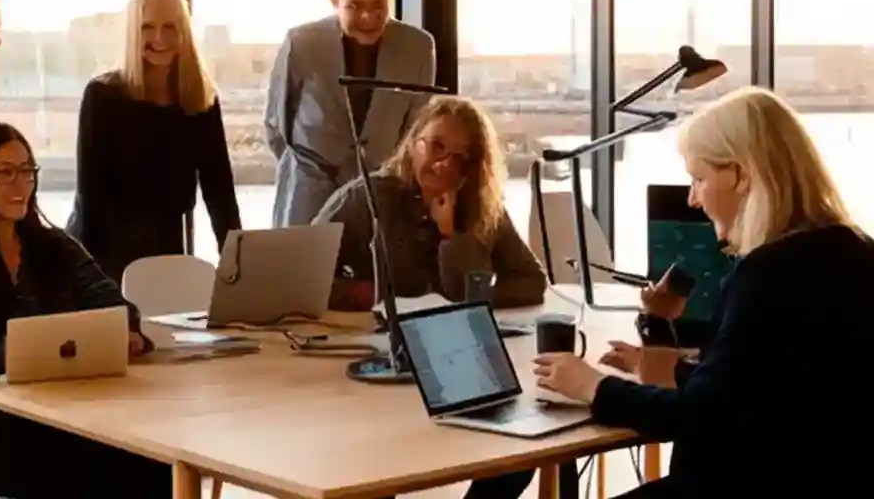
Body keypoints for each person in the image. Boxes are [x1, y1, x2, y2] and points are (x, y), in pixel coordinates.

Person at [533, 86, 874, 498]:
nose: (693, 199)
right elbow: (764, 391)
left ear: (743, 174)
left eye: (699, 179)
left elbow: (702, 417)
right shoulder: (856, 251)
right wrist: (663, 346)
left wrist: (591, 385)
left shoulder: (765, 275)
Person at [0, 121, 171, 497]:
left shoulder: (55, 245)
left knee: (157, 467)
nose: (21, 184)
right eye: (5, 173)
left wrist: (124, 332)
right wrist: (7, 351)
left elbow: (111, 303)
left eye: (27, 171)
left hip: (79, 416)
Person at [66, 0, 240, 284]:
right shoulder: (103, 96)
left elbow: (220, 192)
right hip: (104, 254)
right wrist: (89, 282)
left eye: (170, 27)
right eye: (147, 27)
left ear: (184, 31)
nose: (159, 38)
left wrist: (237, 266)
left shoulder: (200, 99)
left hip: (167, 252)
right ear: (134, 33)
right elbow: (89, 199)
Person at [314, 95, 547, 312]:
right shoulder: (367, 196)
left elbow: (532, 282)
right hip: (380, 335)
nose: (443, 165)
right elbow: (303, 277)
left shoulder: (482, 204)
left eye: (459, 157)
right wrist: (361, 295)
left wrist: (451, 238)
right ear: (414, 143)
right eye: (437, 146)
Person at [265, 0, 435, 228]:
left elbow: (416, 133)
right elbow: (276, 128)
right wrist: (311, 173)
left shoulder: (418, 48)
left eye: (378, 5)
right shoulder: (302, 44)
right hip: (306, 203)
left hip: (381, 204)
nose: (368, 18)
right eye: (355, 6)